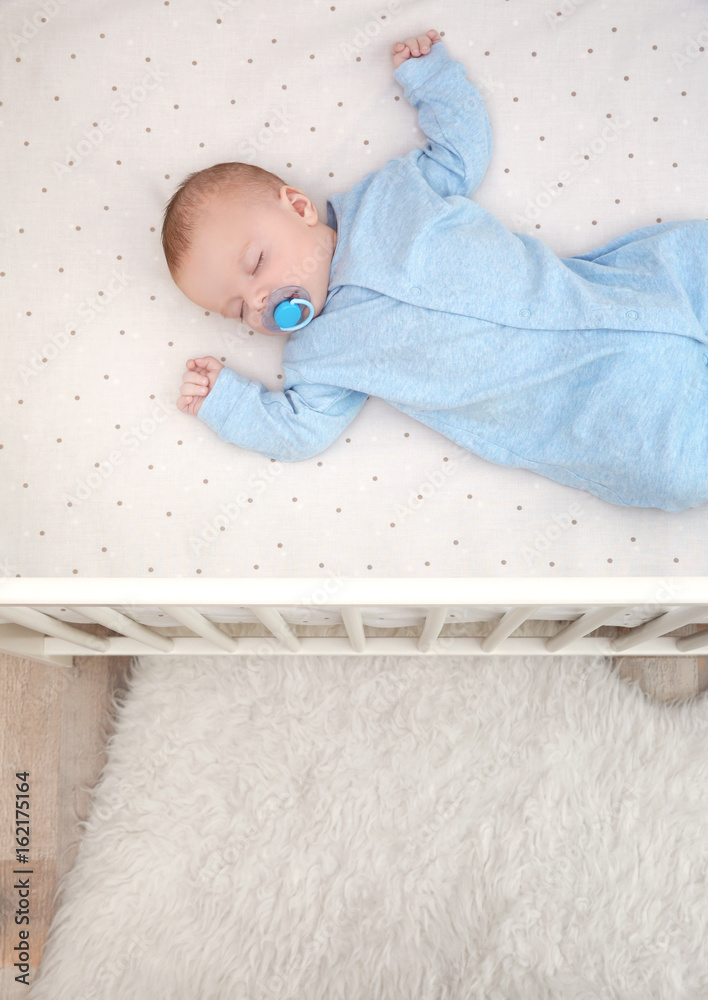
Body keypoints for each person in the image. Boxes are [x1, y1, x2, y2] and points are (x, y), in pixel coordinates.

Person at [161, 30, 708, 511]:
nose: (258, 299)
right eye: (238, 309)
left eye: (256, 263)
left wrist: (434, 79)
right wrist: (228, 402)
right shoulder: (321, 357)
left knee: (690, 254)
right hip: (591, 406)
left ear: (300, 208)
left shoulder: (389, 196)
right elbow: (300, 430)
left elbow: (460, 152)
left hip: (615, 295)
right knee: (674, 470)